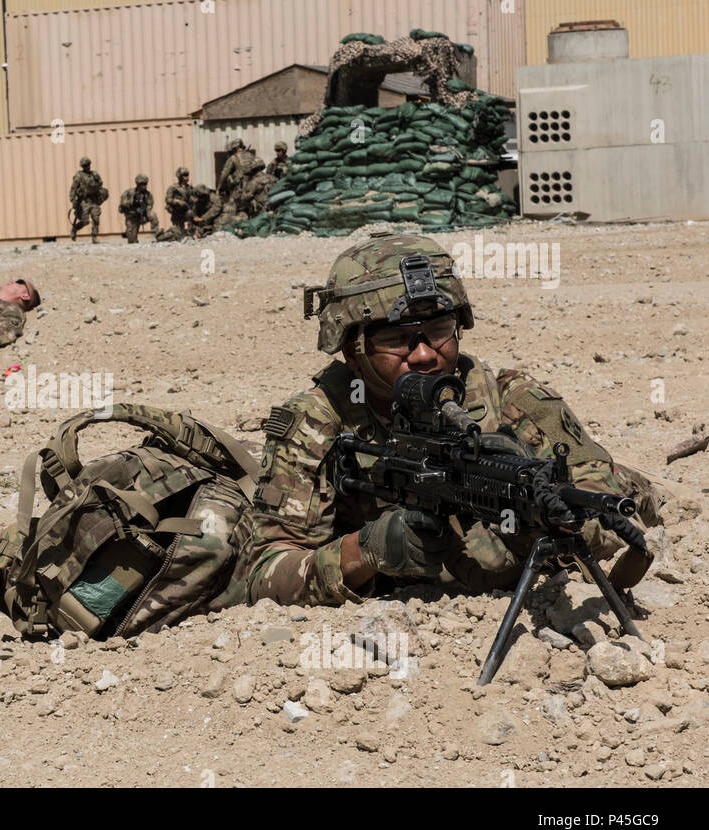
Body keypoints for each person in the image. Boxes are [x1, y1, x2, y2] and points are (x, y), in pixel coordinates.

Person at [230, 233, 663, 608]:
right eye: (397, 339)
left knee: (632, 490)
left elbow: (596, 492)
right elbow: (263, 574)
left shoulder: (508, 397)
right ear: (352, 351)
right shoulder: (318, 422)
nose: (423, 354)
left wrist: (539, 523)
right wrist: (366, 552)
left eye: (438, 330)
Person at [68, 157, 103, 243]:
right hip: (84, 201)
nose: (87, 167)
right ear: (82, 166)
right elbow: (73, 189)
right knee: (85, 221)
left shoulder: (94, 174)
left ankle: (94, 237)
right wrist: (73, 200)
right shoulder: (79, 176)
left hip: (94, 200)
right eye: (84, 166)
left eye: (88, 165)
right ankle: (75, 229)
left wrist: (97, 183)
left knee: (96, 218)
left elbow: (100, 184)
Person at [118, 174, 159, 244]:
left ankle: (155, 235)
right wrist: (132, 203)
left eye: (145, 184)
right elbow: (123, 204)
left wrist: (144, 210)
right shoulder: (129, 193)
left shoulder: (147, 194)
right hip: (132, 216)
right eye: (142, 184)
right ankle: (129, 234)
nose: (144, 186)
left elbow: (150, 205)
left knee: (153, 215)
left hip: (143, 215)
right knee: (132, 241)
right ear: (137, 184)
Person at [161, 167, 193, 241]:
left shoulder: (190, 188)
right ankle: (163, 236)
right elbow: (168, 199)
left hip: (186, 211)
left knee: (191, 215)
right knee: (178, 236)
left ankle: (190, 233)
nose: (187, 177)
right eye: (185, 175)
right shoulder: (173, 187)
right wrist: (177, 201)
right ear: (180, 176)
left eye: (187, 175)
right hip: (177, 212)